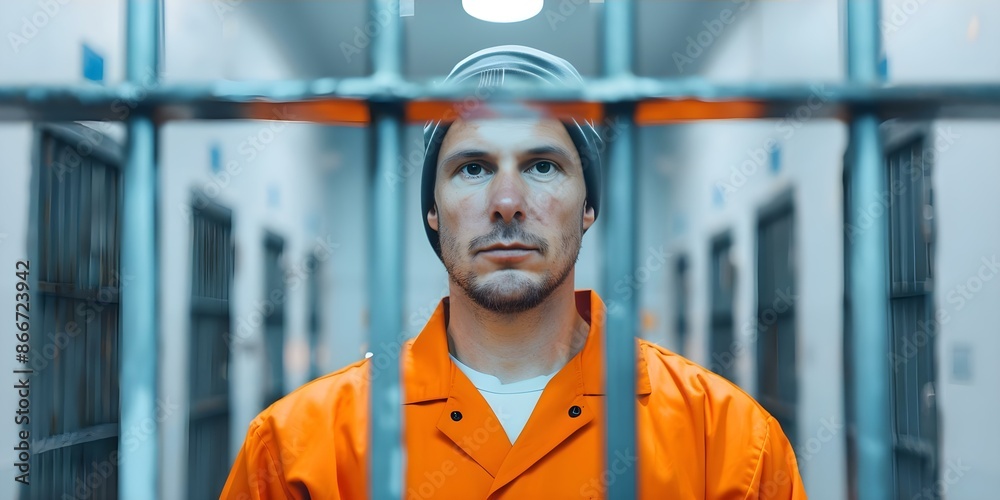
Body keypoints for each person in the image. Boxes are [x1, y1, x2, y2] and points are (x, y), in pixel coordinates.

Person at [221, 45, 806, 499]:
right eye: (473, 169)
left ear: (589, 206)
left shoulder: (726, 441)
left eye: (543, 165)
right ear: (432, 208)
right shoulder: (299, 448)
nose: (506, 201)